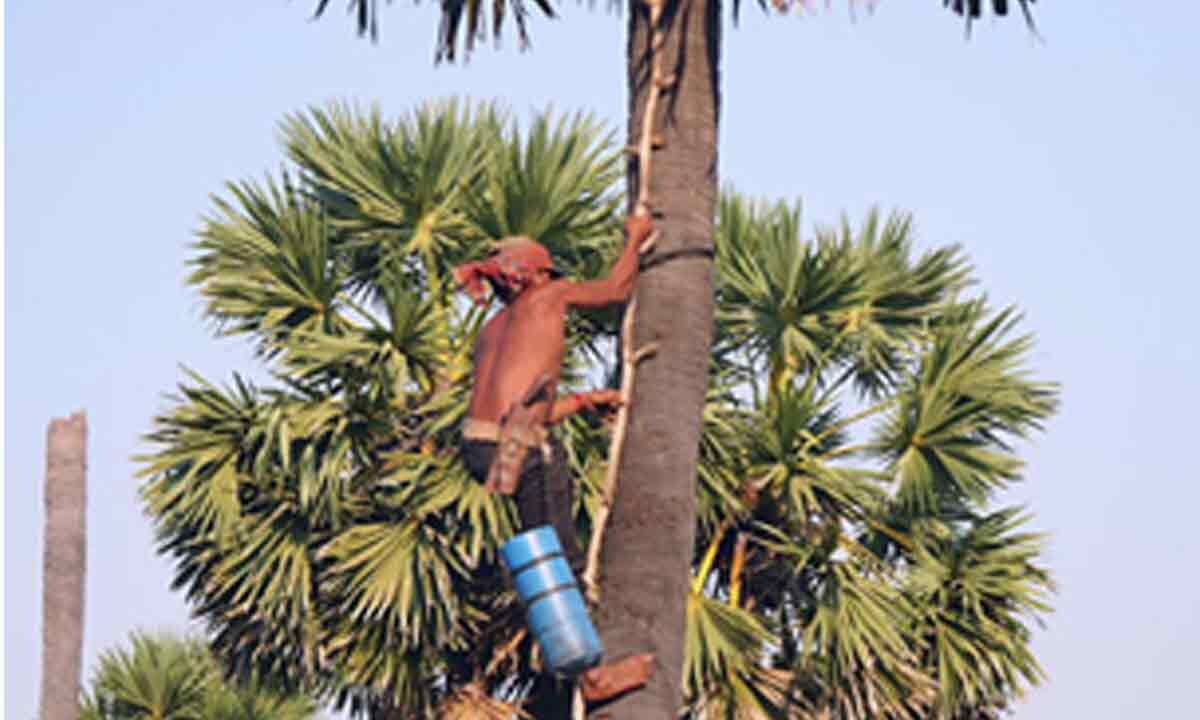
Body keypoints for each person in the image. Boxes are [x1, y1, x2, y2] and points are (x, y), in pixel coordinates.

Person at [453, 214, 656, 704]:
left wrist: (586, 402)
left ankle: (576, 671)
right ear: (537, 276)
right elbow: (615, 289)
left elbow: (517, 408)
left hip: (482, 444)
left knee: (541, 550)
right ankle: (592, 678)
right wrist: (636, 236)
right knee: (556, 558)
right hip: (520, 445)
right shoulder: (548, 298)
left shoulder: (492, 328)